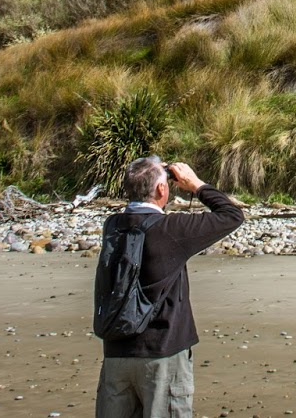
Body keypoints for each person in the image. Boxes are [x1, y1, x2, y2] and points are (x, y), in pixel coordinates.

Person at [94, 156, 245, 418]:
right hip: (161, 353)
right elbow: (231, 215)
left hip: (116, 352)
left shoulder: (113, 226)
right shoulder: (171, 229)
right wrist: (195, 184)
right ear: (162, 190)